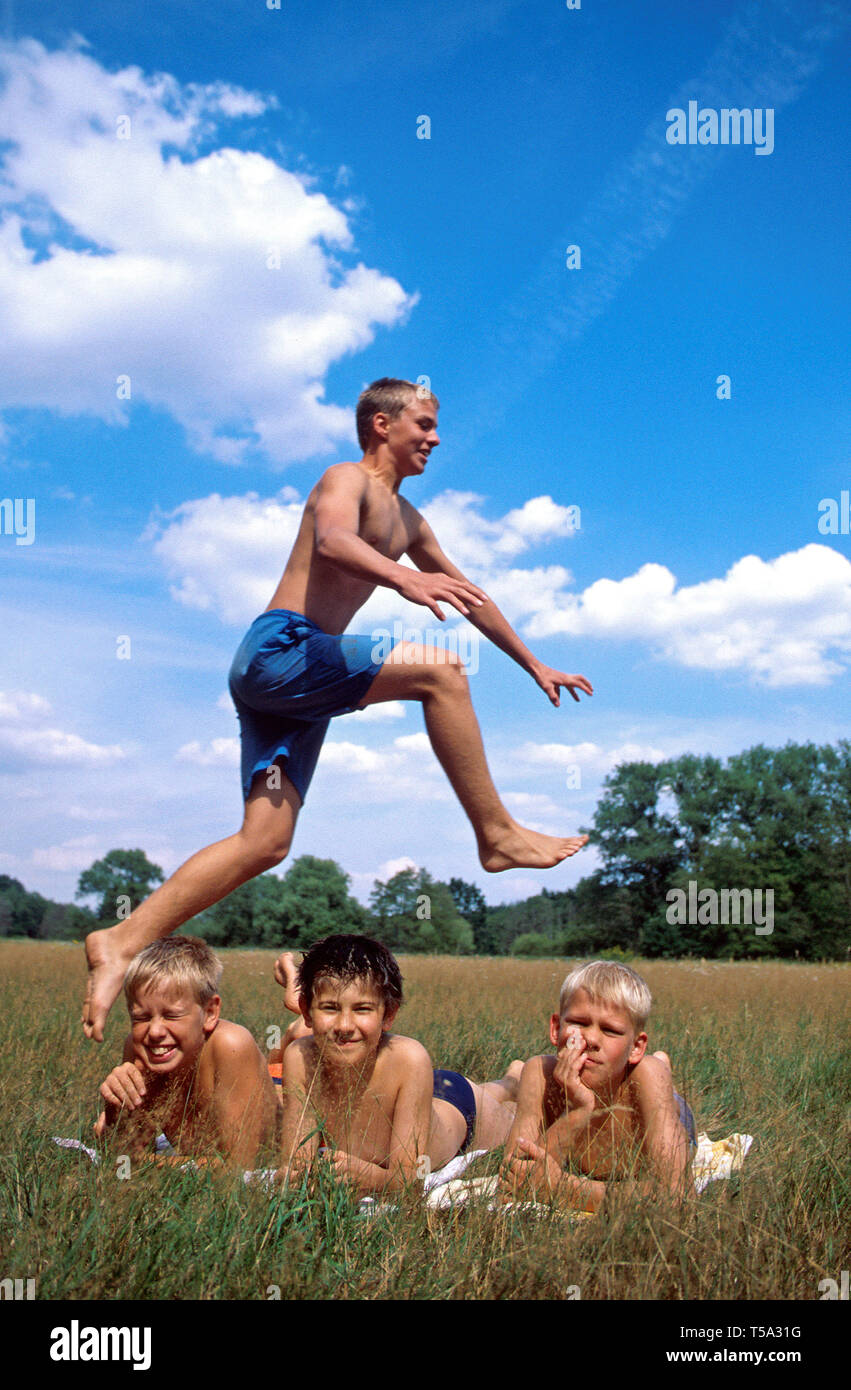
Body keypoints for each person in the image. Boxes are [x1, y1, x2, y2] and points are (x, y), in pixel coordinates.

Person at [82, 378, 593, 1040]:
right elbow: (331, 541)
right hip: (282, 652)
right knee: (440, 672)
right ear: (381, 424)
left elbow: (472, 594)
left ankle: (121, 941)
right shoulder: (344, 480)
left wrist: (533, 663)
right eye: (425, 424)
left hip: (299, 689)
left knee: (264, 843)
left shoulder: (409, 521)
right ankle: (495, 834)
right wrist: (405, 577)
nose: (435, 439)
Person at [276, 935, 521, 1194]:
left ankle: (513, 1079)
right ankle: (508, 1081)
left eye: (362, 1009)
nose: (345, 1026)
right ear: (306, 1012)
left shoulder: (409, 1058)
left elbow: (408, 1182)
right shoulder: (300, 1057)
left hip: (463, 1111)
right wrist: (294, 1179)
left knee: (516, 1121)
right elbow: (298, 1164)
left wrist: (371, 1178)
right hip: (427, 1093)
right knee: (488, 1090)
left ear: (388, 1014)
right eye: (330, 1008)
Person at [500, 960, 696, 1209]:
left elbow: (674, 1196)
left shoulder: (645, 1077)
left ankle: (663, 1066)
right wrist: (577, 1110)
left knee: (657, 1073)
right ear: (556, 1028)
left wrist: (564, 1188)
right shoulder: (538, 1073)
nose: (591, 1038)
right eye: (579, 1023)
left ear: (636, 1047)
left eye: (610, 1030)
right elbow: (514, 1181)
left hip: (667, 1108)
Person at [93, 937, 278, 1169]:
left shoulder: (231, 1045)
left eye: (172, 1016)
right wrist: (113, 1112)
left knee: (288, 1062)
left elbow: (239, 1170)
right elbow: (124, 1153)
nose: (155, 1032)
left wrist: (141, 1162)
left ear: (210, 1012)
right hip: (192, 1157)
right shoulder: (139, 1048)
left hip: (274, 1114)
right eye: (141, 1017)